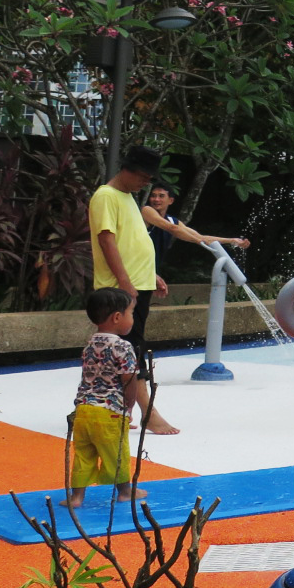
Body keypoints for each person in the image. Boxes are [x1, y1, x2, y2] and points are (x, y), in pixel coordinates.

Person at [88, 145, 178, 435]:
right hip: (122, 289)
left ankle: (120, 410)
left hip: (138, 284)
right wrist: (125, 283)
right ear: (128, 170)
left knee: (125, 350)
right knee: (131, 350)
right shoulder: (106, 196)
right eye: (144, 176)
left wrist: (151, 274)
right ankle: (148, 412)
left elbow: (131, 240)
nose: (147, 183)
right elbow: (107, 240)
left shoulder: (126, 197)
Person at [66, 288, 149, 507]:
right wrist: (129, 407)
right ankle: (124, 492)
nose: (132, 319)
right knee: (117, 453)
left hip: (83, 410)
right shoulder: (123, 346)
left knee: (83, 454)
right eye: (131, 313)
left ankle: (76, 497)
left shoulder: (89, 344)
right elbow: (129, 380)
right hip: (109, 411)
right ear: (117, 317)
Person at [142, 182, 249, 262]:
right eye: (153, 195)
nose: (156, 199)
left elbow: (202, 238)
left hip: (150, 270)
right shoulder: (146, 210)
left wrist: (232, 240)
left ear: (171, 200)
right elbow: (173, 229)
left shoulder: (172, 221)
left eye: (161, 196)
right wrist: (198, 240)